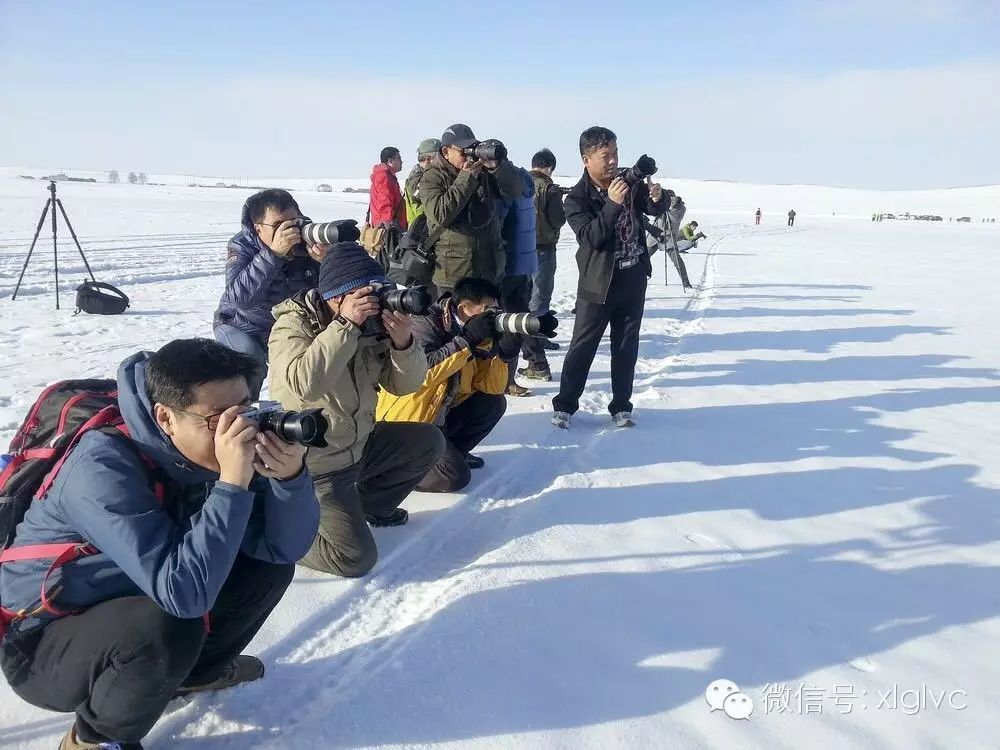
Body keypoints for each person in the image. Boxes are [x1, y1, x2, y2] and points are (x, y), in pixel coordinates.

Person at [0, 339, 319, 750]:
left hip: (137, 590)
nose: (237, 428)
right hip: (45, 642)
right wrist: (232, 485)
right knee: (167, 625)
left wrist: (289, 478)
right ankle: (94, 737)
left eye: (244, 409)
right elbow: (184, 596)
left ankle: (192, 674)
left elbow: (283, 548)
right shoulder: (101, 470)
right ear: (165, 418)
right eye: (218, 418)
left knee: (264, 568)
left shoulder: (205, 451)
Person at [268, 242, 444, 578]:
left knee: (428, 440)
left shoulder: (372, 326)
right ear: (337, 298)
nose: (375, 303)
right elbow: (303, 384)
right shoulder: (293, 325)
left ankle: (371, 506)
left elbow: (404, 387)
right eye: (365, 295)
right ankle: (272, 534)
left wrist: (403, 344)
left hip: (359, 446)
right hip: (315, 465)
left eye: (378, 292)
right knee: (354, 558)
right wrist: (346, 326)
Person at [551, 126, 667, 430]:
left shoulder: (628, 181)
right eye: (606, 156)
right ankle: (564, 405)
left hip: (633, 277)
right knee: (583, 345)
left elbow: (654, 207)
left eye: (615, 153)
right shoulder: (576, 198)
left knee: (626, 345)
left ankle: (621, 407)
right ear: (586, 160)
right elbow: (593, 238)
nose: (613, 160)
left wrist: (657, 198)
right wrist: (613, 204)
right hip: (598, 283)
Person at [377, 277, 516, 492]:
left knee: (494, 403)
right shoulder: (425, 321)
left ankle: (451, 455)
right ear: (464, 308)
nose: (493, 316)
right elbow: (420, 373)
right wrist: (466, 341)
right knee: (455, 477)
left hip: (441, 412)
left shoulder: (477, 328)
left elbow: (490, 387)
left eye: (496, 310)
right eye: (488, 309)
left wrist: (503, 354)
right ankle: (400, 471)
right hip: (409, 422)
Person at [214, 189, 327, 401]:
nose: (289, 231)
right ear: (258, 229)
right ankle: (241, 418)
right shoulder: (242, 246)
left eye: (294, 222)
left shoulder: (309, 240)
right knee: (250, 364)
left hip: (288, 325)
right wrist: (273, 254)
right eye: (278, 225)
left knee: (310, 366)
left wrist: (327, 261)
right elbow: (241, 298)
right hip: (242, 324)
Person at [419, 123, 528, 296]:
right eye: (463, 151)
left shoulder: (483, 169)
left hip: (490, 269)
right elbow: (440, 213)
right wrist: (466, 178)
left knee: (489, 322)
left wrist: (498, 167)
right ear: (446, 152)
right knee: (455, 322)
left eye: (472, 148)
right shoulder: (432, 177)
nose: (469, 155)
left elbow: (516, 190)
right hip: (455, 273)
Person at [519, 148, 567, 382]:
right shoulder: (550, 188)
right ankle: (536, 353)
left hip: (521, 249)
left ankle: (537, 342)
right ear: (549, 167)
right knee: (540, 300)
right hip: (544, 248)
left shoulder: (520, 183)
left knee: (526, 297)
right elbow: (558, 218)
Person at [495, 160, 540, 397]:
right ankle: (507, 379)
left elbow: (494, 225)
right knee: (516, 325)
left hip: (505, 267)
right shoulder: (525, 181)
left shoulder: (502, 188)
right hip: (524, 265)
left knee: (502, 328)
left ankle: (500, 379)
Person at [403, 138, 441, 225]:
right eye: (441, 157)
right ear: (429, 159)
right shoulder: (415, 179)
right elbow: (425, 194)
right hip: (420, 231)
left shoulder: (423, 174)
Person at [368, 146, 407, 229]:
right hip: (387, 226)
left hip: (387, 223)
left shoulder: (388, 175)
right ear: (390, 161)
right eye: (398, 158)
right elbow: (384, 201)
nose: (401, 161)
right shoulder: (384, 176)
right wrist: (388, 226)